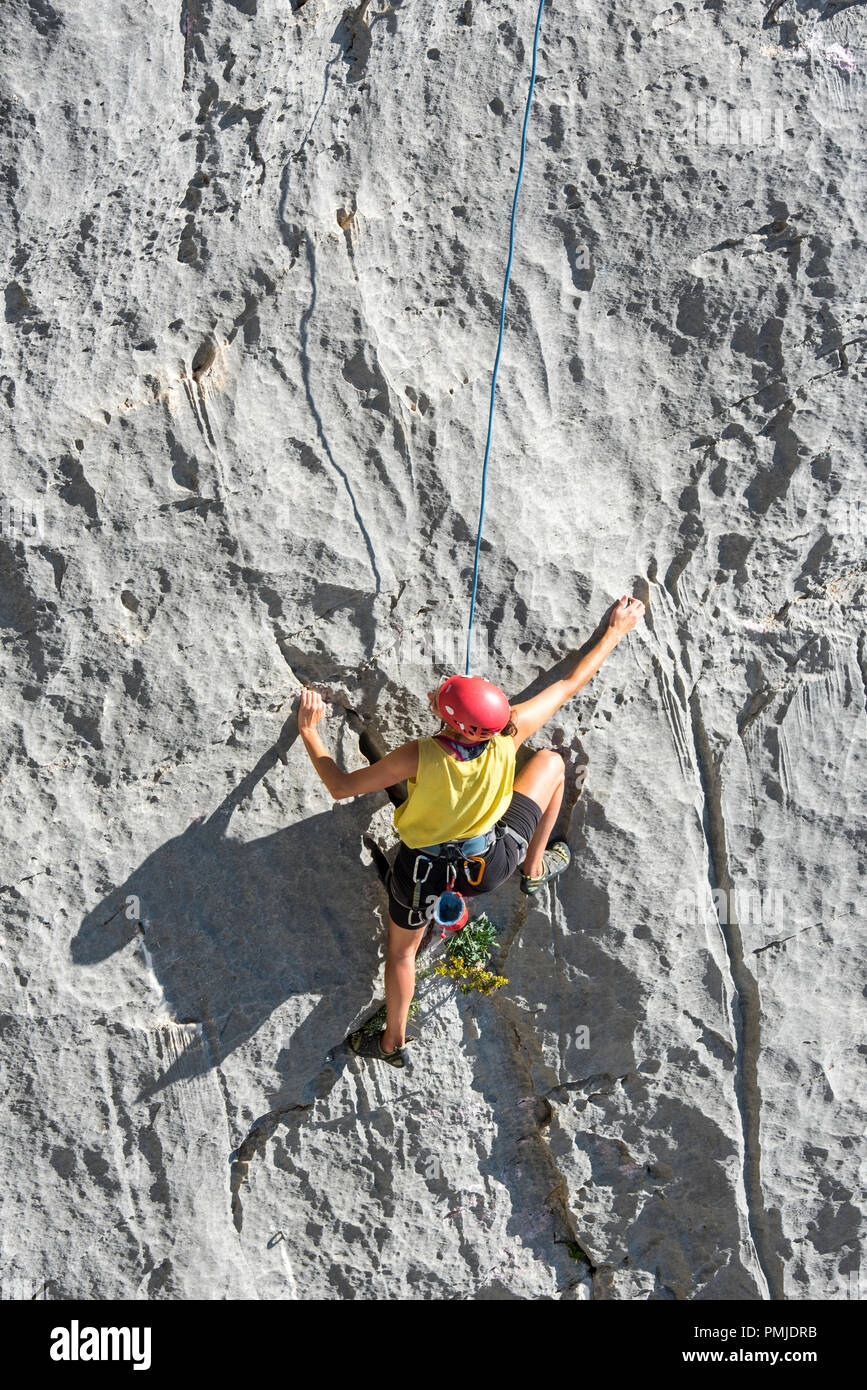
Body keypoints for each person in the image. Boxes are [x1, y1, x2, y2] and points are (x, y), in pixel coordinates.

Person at [298, 594, 646, 1067]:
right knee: (551, 763)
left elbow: (340, 786)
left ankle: (391, 1042)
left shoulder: (420, 754)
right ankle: (536, 866)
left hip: (420, 875)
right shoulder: (510, 731)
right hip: (487, 864)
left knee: (402, 957)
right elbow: (569, 683)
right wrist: (615, 630)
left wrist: (311, 732)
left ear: (452, 723)